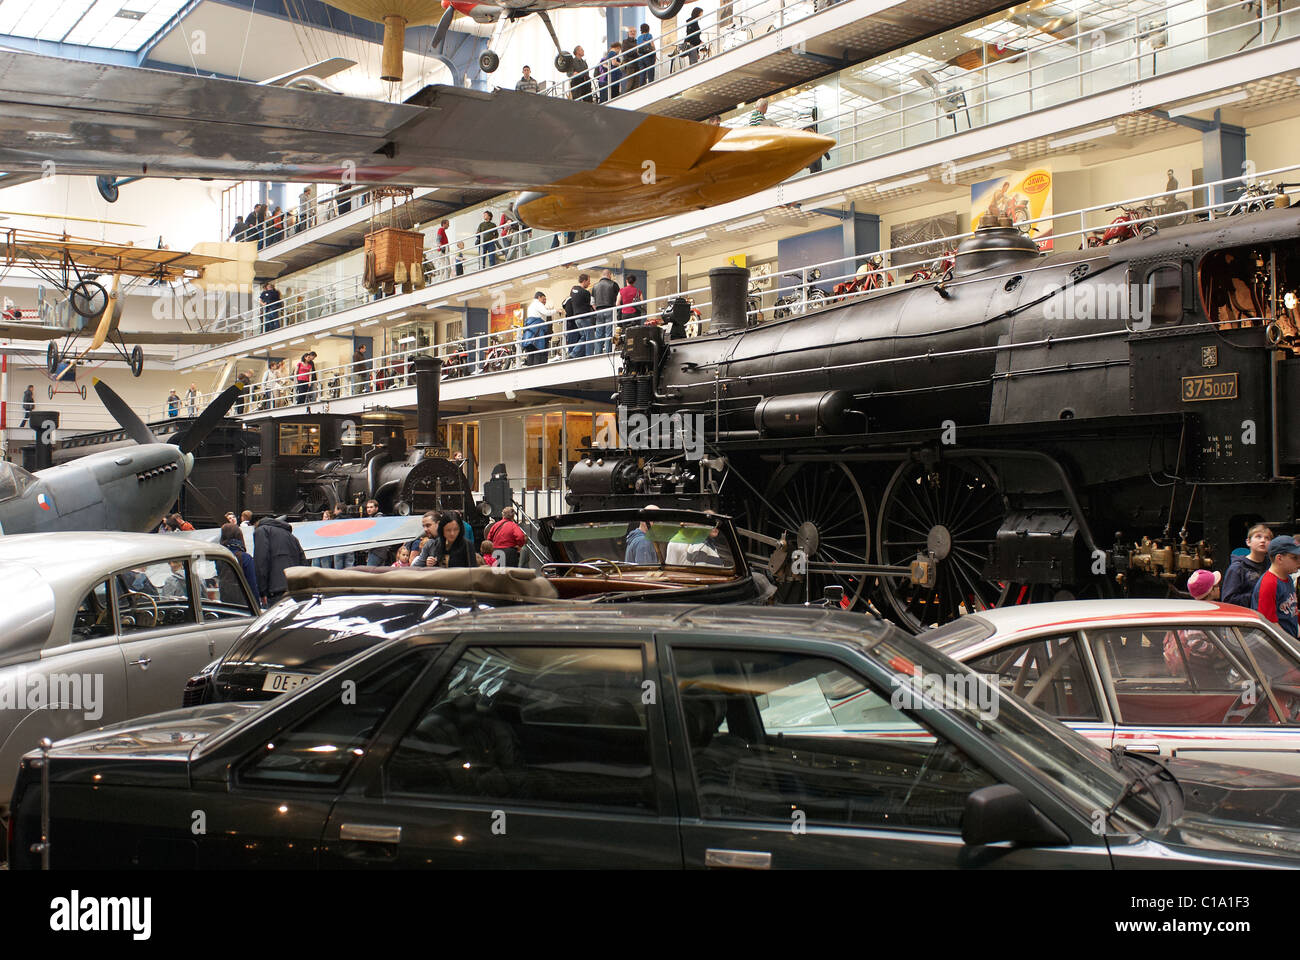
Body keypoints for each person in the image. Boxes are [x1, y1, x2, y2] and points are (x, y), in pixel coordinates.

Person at [1251, 534, 1300, 639]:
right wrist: (1292, 644)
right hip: (1278, 646)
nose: (1299, 561)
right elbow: (1269, 624)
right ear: (1279, 558)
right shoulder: (1269, 583)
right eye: (1294, 558)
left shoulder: (1288, 578)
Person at [254, 515, 307, 606]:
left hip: (276, 591)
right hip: (296, 590)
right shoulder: (291, 537)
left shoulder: (261, 531)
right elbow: (303, 562)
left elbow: (261, 562)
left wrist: (262, 591)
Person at [1223, 523, 1272, 607]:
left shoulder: (1271, 565)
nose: (1263, 540)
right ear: (1248, 542)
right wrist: (1257, 595)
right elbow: (1228, 600)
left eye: (1267, 538)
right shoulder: (1237, 568)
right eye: (1258, 536)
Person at [221, 522, 260, 599]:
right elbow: (252, 585)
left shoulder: (220, 557)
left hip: (225, 599)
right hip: (244, 603)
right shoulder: (245, 558)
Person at [591, 269, 619, 355]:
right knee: (609, 333)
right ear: (609, 275)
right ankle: (609, 352)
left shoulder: (595, 286)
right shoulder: (613, 284)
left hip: (599, 311)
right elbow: (618, 299)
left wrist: (596, 309)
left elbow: (592, 302)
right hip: (610, 310)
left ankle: (598, 352)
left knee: (599, 333)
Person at [568, 273, 595, 357]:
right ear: (584, 281)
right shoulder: (586, 293)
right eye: (588, 281)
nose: (589, 283)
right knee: (590, 337)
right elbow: (589, 304)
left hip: (577, 319)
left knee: (584, 336)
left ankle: (573, 353)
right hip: (584, 318)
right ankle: (589, 355)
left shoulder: (573, 289)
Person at [361, 499, 390, 566]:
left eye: (371, 507)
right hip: (379, 551)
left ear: (376, 508)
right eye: (368, 507)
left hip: (376, 551)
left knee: (369, 573)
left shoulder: (378, 519)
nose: (369, 509)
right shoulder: (376, 518)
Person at [633, 23, 655, 88]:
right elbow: (652, 45)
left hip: (640, 57)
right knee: (650, 72)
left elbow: (637, 49)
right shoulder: (649, 35)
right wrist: (654, 53)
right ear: (648, 29)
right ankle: (651, 86)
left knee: (642, 73)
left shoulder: (639, 38)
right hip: (648, 56)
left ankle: (641, 87)